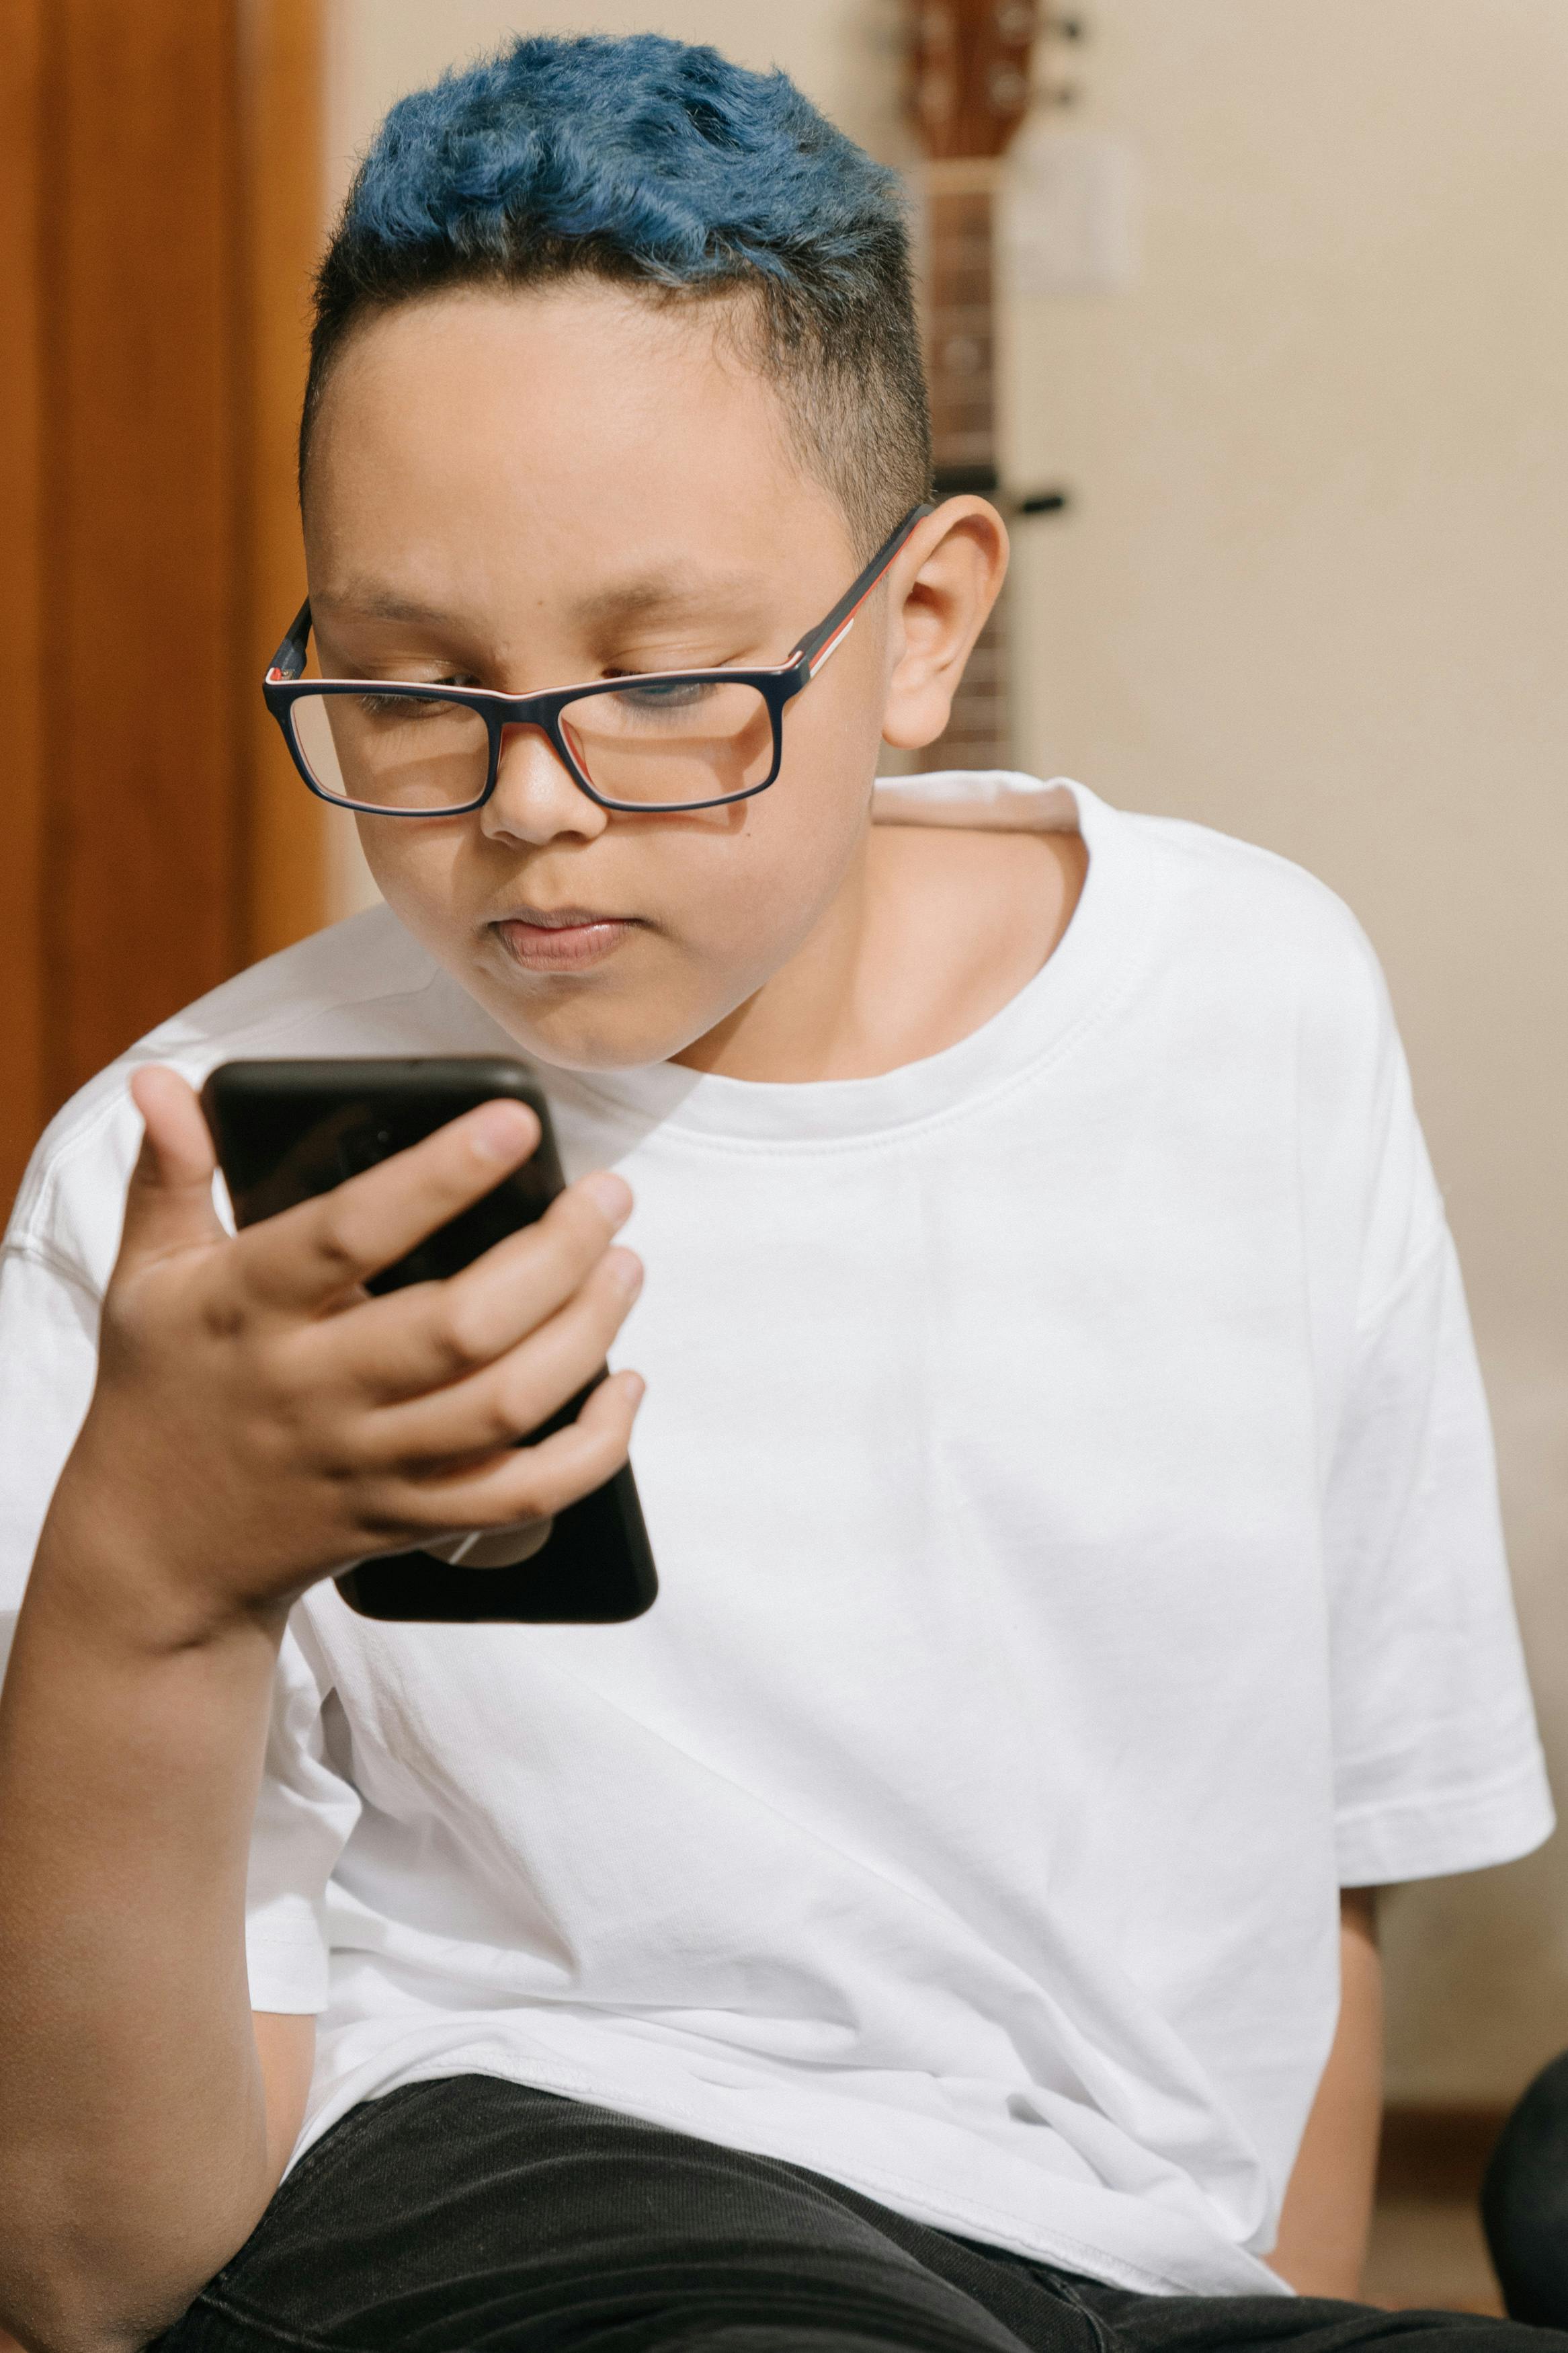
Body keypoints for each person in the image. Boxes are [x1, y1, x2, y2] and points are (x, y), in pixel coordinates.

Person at [0, 32, 1553, 2353]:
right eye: (412, 686)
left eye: (660, 680)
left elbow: (1313, 1874)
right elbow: (92, 2267)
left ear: (919, 630)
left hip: (1126, 2269)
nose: (529, 804)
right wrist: (153, 1577)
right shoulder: (181, 1176)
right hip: (550, 2184)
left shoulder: (1254, 999)